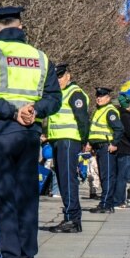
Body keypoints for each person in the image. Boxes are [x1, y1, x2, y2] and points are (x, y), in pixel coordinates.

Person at [0, 6, 62, 258]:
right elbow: (55, 99)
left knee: (2, 198)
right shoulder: (41, 57)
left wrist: (11, 112)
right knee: (26, 198)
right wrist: (35, 110)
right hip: (30, 135)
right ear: (20, 25)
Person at [46, 63, 90, 233]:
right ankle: (71, 217)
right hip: (58, 140)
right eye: (55, 77)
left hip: (69, 140)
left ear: (68, 76)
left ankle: (72, 218)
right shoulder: (58, 94)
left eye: (60, 76)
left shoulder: (75, 93)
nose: (58, 80)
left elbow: (82, 119)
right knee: (63, 179)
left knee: (67, 179)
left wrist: (84, 140)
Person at [88, 87, 123, 214]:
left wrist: (114, 143)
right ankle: (105, 202)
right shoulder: (98, 111)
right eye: (97, 96)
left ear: (108, 98)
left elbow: (119, 129)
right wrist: (90, 144)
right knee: (104, 176)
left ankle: (106, 204)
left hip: (107, 147)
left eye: (101, 96)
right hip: (99, 147)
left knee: (107, 176)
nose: (98, 98)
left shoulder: (110, 111)